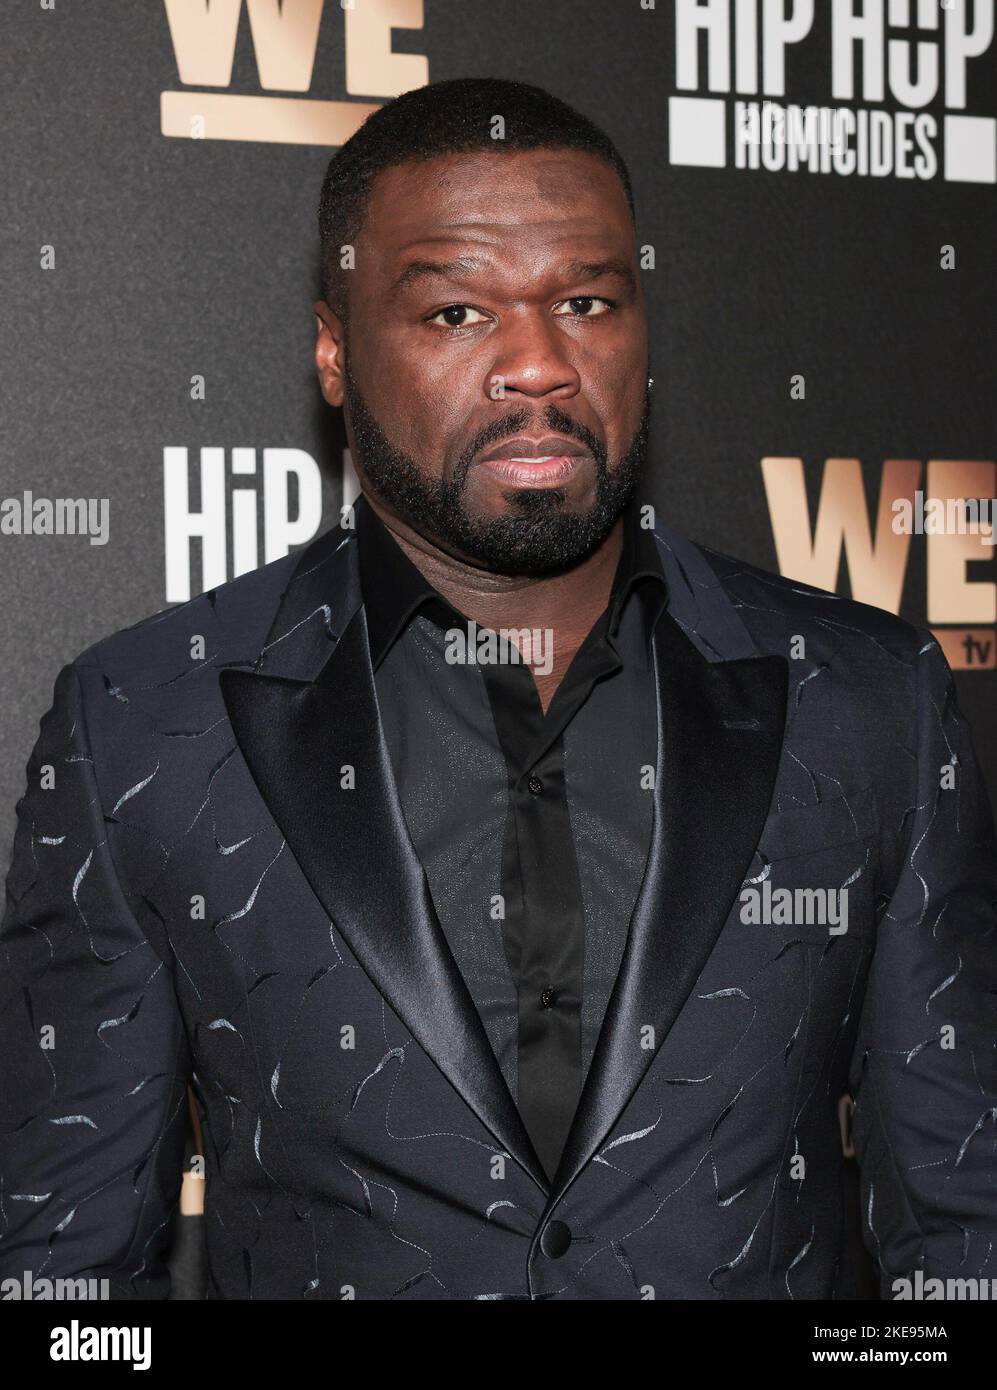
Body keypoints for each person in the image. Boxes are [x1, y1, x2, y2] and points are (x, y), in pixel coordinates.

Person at [1, 78, 994, 1302]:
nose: (538, 363)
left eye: (586, 301)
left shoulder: (868, 698)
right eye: (458, 311)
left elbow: (965, 1226)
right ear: (332, 350)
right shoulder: (143, 722)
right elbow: (65, 1276)